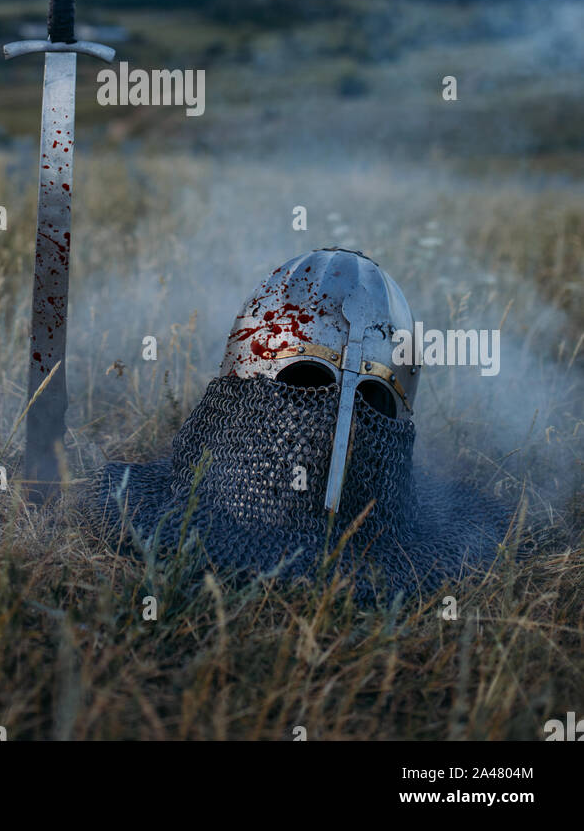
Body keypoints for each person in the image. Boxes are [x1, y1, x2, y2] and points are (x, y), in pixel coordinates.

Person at [89, 247, 517, 604]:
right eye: (305, 384)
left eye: (371, 398)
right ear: (242, 390)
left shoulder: (418, 541)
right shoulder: (164, 505)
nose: (333, 425)